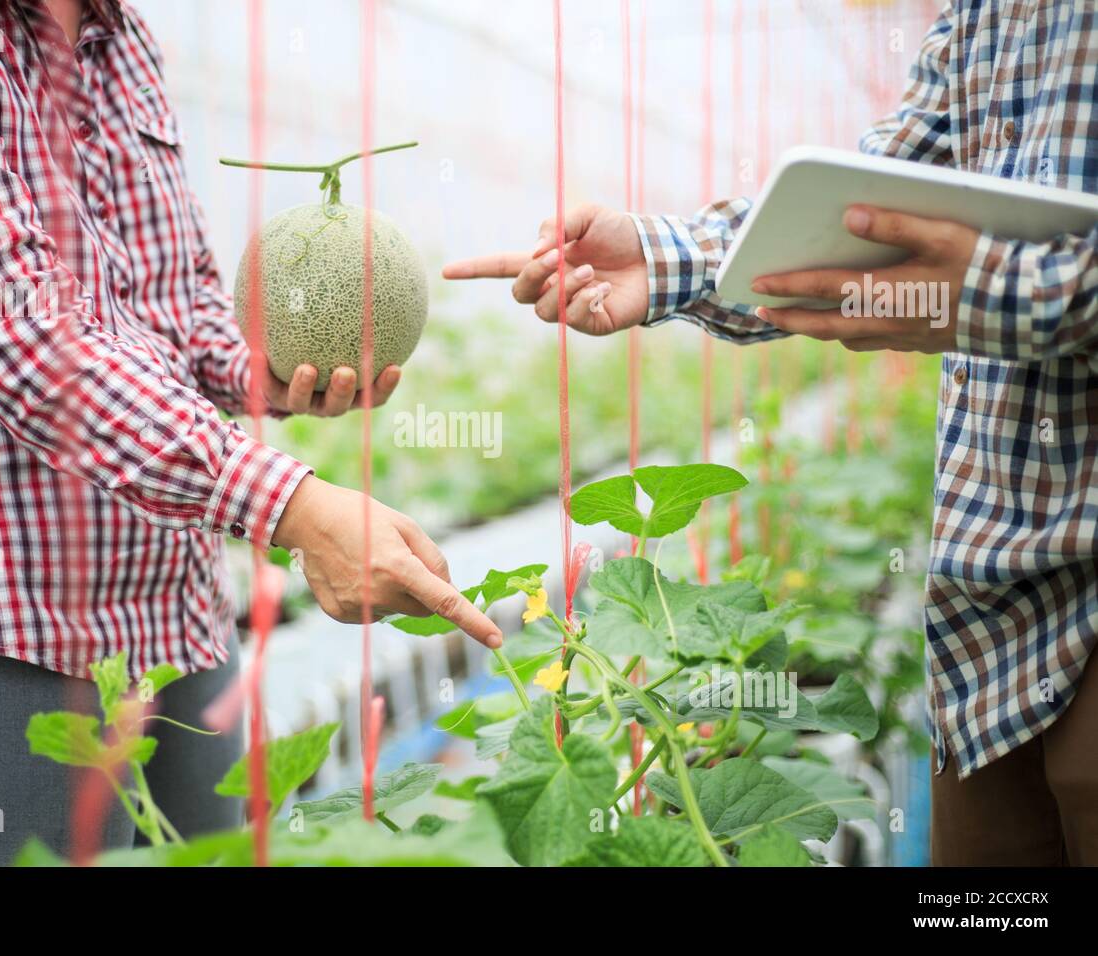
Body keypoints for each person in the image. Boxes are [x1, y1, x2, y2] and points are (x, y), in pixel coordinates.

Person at [0, 0, 501, 866]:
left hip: (171, 595)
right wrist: (293, 506)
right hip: (1, 605)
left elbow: (170, 310)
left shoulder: (121, 34)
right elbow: (27, 340)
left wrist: (266, 374)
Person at [446, 2, 1097, 866]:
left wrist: (1008, 290)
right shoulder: (986, 9)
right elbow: (868, 201)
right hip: (987, 617)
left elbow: (978, 273)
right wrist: (665, 256)